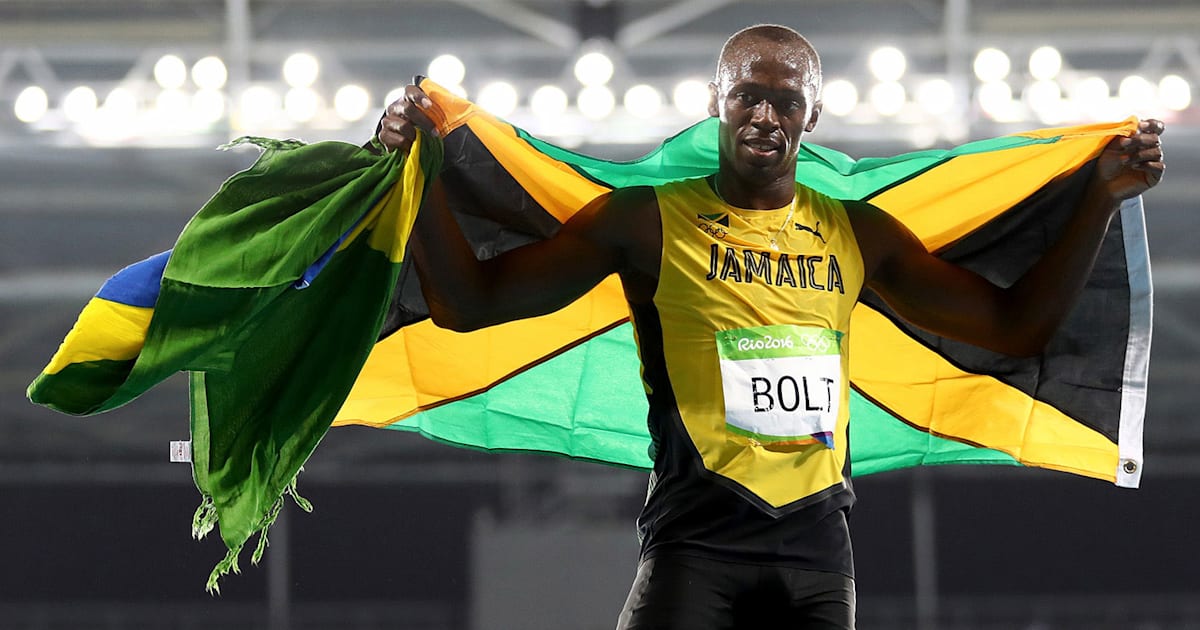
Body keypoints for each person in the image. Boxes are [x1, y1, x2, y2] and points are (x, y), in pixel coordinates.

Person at [376, 24, 1164, 630]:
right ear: (716, 102)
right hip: (694, 551)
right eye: (747, 95)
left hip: (818, 557)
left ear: (811, 114)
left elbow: (1014, 328)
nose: (764, 115)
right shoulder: (646, 223)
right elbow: (470, 304)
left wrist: (1098, 197)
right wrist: (426, 170)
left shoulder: (858, 232)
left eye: (785, 101)